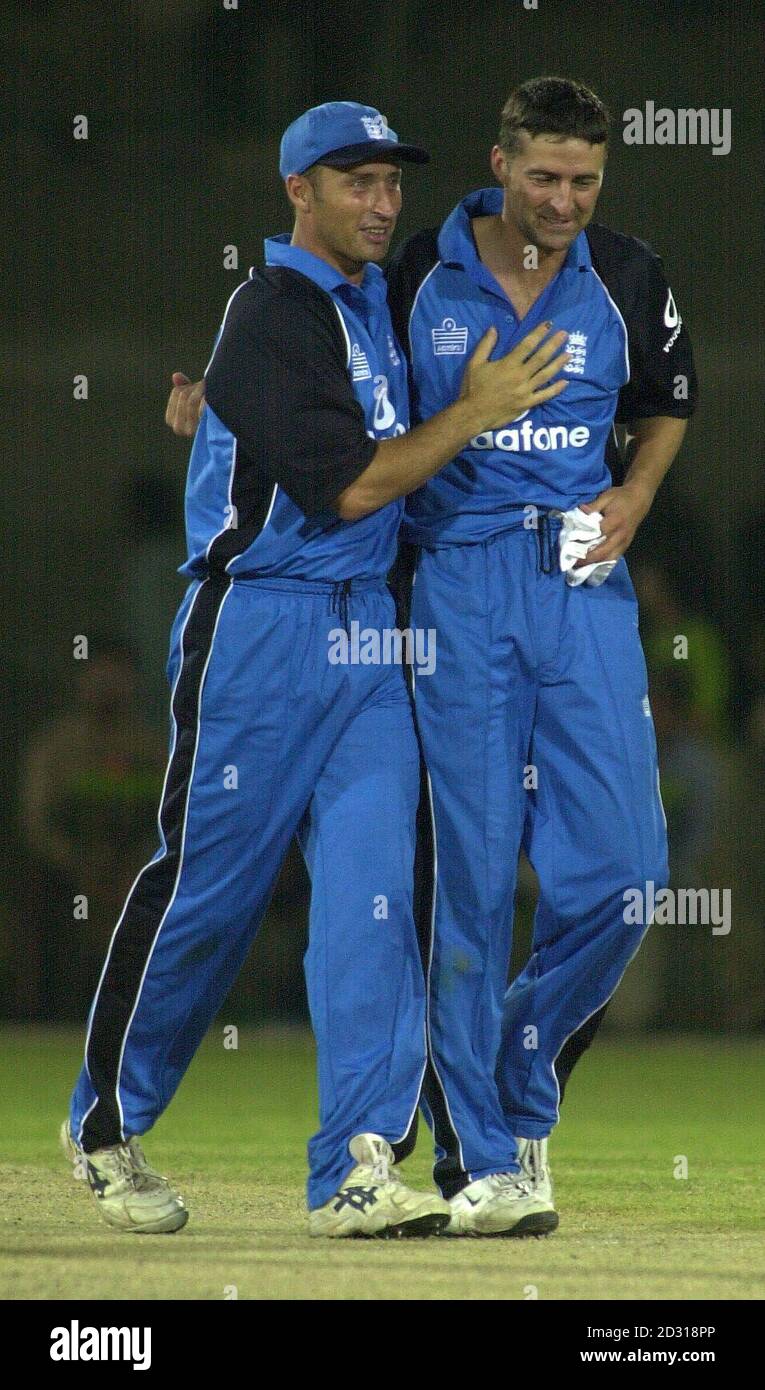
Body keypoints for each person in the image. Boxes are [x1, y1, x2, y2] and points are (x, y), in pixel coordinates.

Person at [64, 102, 570, 1240]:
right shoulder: (271, 310)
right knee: (209, 893)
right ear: (299, 189)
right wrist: (482, 410)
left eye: (392, 182)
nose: (384, 203)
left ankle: (354, 1165)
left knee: (374, 906)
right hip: (259, 628)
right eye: (359, 182)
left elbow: (476, 244)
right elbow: (348, 487)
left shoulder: (373, 306)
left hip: (368, 636)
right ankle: (104, 1122)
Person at [383, 77, 698, 1213]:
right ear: (501, 162)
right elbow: (340, 390)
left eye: (586, 180)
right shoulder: (420, 271)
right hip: (456, 581)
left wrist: (639, 494)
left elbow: (667, 399)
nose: (565, 199)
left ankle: (516, 1068)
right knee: (467, 881)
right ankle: (487, 1150)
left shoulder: (627, 274)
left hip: (582, 582)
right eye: (546, 177)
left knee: (626, 876)